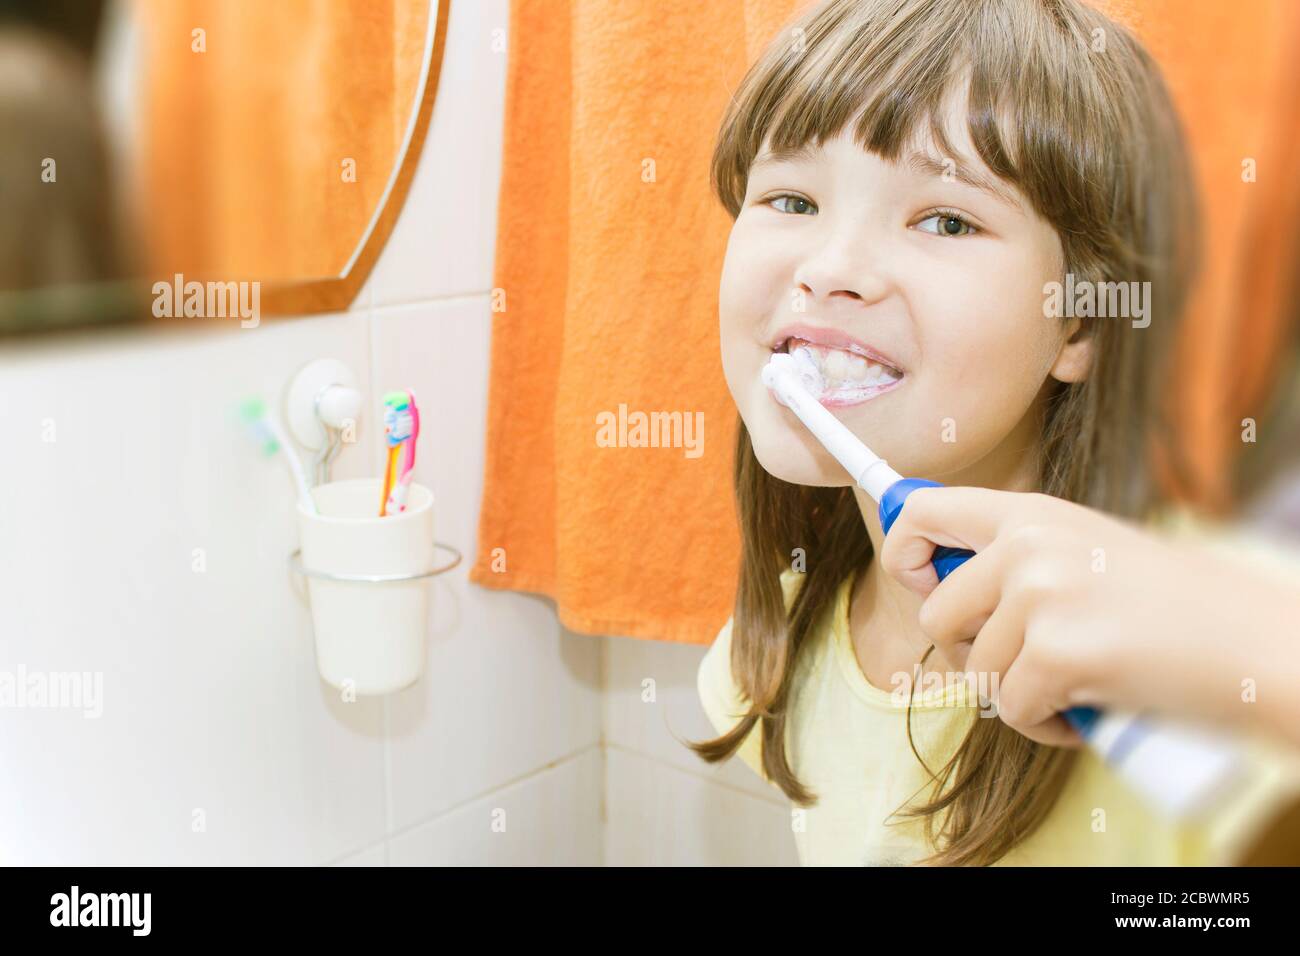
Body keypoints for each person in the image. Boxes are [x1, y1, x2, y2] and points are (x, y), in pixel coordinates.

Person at [689, 0, 1296, 866]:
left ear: (1078, 326)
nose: (829, 271)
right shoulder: (778, 649)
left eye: (944, 220)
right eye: (792, 198)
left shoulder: (1203, 626)